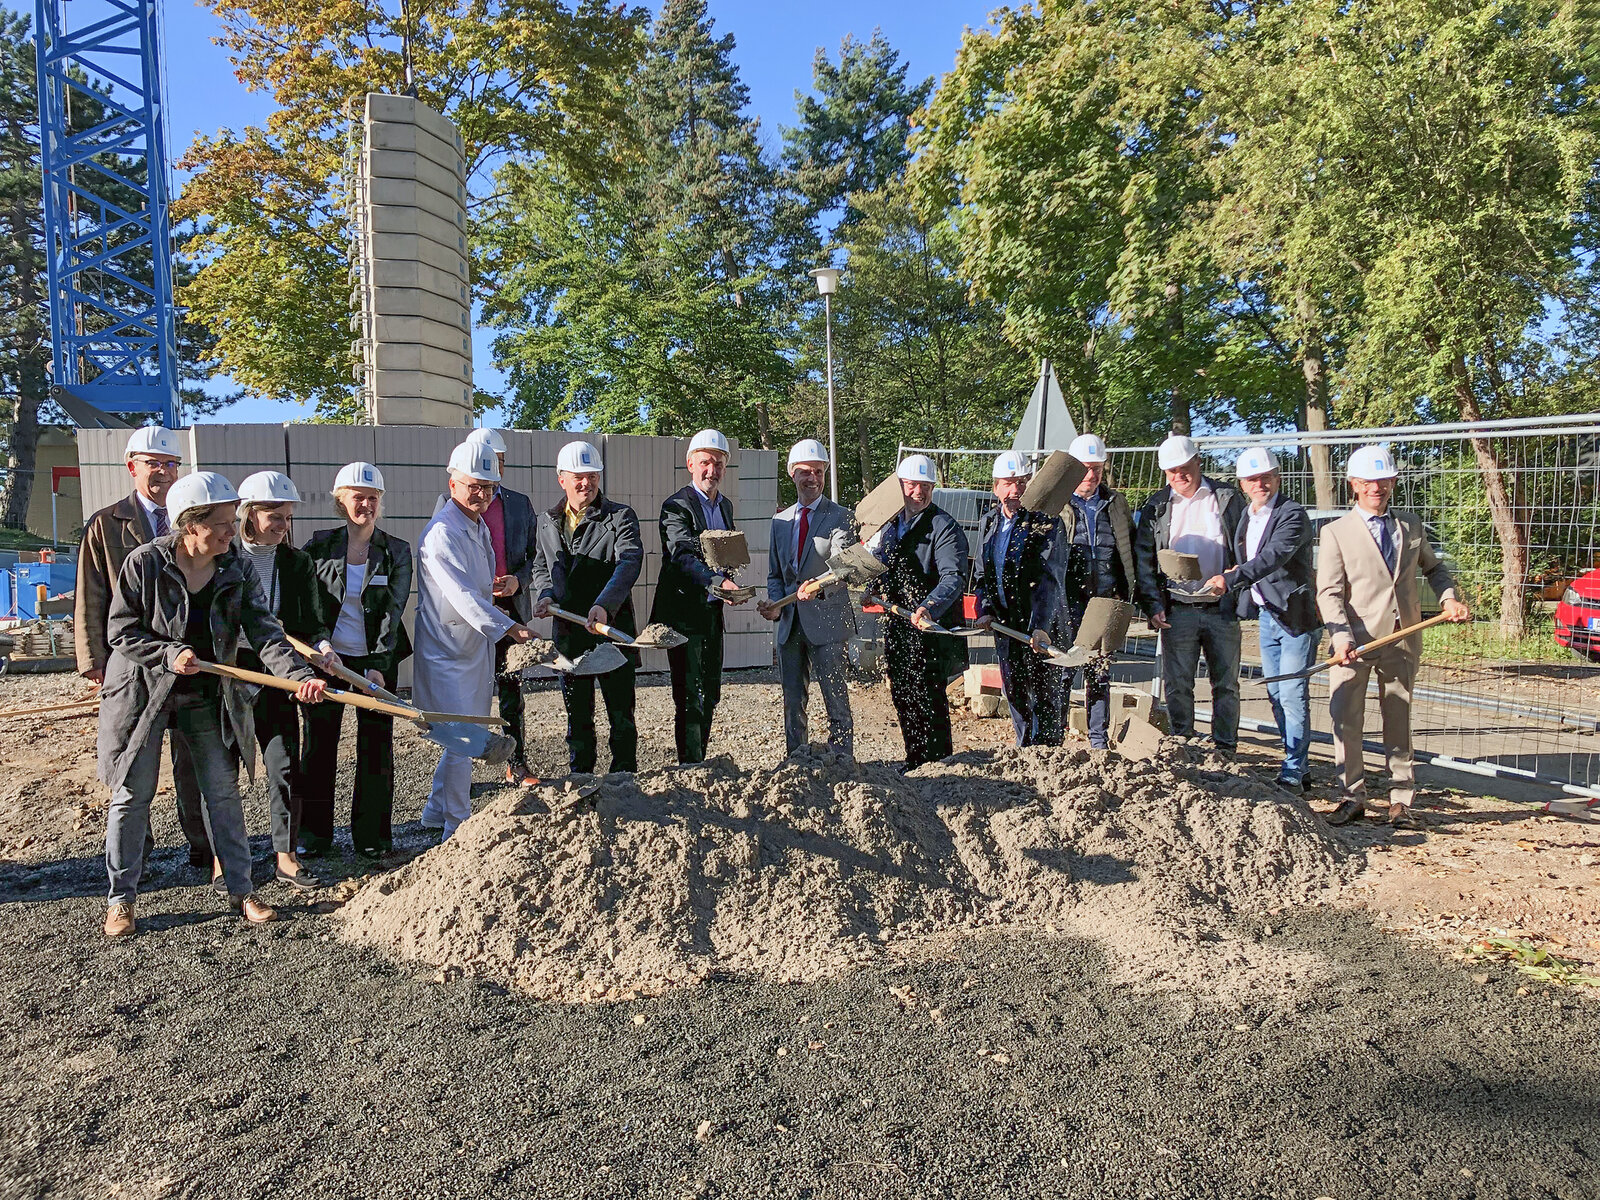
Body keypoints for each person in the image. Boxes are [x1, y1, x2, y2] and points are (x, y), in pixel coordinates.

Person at [98, 472, 328, 938]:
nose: (231, 531)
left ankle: (242, 891)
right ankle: (121, 900)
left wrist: (299, 678)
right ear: (191, 525)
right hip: (142, 694)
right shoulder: (146, 563)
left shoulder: (234, 567)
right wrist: (168, 654)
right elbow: (120, 631)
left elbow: (265, 631)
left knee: (222, 791)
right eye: (222, 523)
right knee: (132, 794)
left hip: (205, 693)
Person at [74, 426, 211, 869]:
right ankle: (138, 851)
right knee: (132, 760)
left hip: (188, 663)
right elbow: (91, 595)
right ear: (132, 466)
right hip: (133, 664)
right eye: (154, 464)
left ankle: (202, 843)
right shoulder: (107, 524)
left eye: (171, 464)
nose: (164, 472)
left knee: (193, 762)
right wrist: (93, 661)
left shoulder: (193, 520)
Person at [1317, 444, 1471, 828]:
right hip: (1354, 644)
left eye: (1384, 480)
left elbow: (1435, 569)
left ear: (1393, 482)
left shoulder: (1410, 526)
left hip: (1402, 638)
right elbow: (1329, 593)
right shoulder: (1335, 533)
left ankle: (1401, 800)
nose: (1377, 488)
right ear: (1354, 484)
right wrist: (1341, 637)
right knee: (1346, 720)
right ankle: (1352, 797)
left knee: (1398, 718)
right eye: (1368, 481)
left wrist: (1449, 598)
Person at [416, 441, 535, 838]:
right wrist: (511, 627)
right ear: (453, 484)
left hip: (472, 646)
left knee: (463, 732)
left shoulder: (477, 525)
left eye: (488, 487)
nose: (482, 494)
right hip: (448, 650)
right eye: (474, 486)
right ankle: (456, 825)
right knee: (463, 738)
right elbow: (463, 596)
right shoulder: (442, 533)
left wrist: (498, 604)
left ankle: (435, 811)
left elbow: (478, 590)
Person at [301, 462, 413, 859]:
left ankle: (372, 837)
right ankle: (313, 836)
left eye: (372, 498)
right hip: (327, 658)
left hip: (377, 658)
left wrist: (378, 666)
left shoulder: (396, 550)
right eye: (358, 497)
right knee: (318, 744)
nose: (366, 504)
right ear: (341, 501)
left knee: (375, 746)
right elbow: (309, 604)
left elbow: (392, 611)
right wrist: (321, 646)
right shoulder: (318, 546)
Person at [234, 471, 338, 890]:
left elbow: (311, 622)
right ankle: (225, 859)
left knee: (283, 764)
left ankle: (286, 855)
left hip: (278, 669)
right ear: (249, 514)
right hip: (229, 671)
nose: (283, 525)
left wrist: (323, 648)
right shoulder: (224, 559)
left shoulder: (297, 563)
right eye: (274, 516)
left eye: (288, 517)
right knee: (223, 768)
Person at [1203, 448, 1321, 793]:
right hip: (1268, 615)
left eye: (1266, 477)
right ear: (1242, 483)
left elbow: (1273, 556)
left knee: (1292, 692)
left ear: (1278, 477)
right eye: (1253, 479)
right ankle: (1298, 764)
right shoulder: (1248, 516)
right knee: (1275, 693)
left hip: (1296, 619)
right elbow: (1249, 556)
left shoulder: (1292, 514)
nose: (1260, 484)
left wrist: (1233, 577)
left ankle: (1293, 769)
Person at [529, 440, 644, 774]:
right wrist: (546, 594)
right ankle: (581, 778)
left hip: (610, 630)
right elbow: (541, 565)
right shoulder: (547, 521)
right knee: (577, 716)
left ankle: (625, 779)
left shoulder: (620, 517)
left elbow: (629, 563)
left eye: (592, 476)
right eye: (578, 477)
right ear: (562, 479)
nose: (586, 483)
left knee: (621, 715)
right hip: (569, 634)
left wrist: (604, 604)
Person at [1134, 434, 1246, 755]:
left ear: (1198, 462)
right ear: (1164, 473)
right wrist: (1152, 604)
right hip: (1177, 608)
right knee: (1178, 683)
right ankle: (1183, 743)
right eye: (1172, 471)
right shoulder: (1157, 507)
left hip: (1221, 607)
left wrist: (1234, 579)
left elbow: (1246, 547)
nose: (1179, 475)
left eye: (1185, 467)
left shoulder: (1226, 498)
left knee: (1226, 683)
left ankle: (1225, 748)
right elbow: (1145, 559)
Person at [650, 429, 748, 764]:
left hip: (711, 614)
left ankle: (699, 760)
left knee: (712, 691)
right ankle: (690, 767)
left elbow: (725, 554)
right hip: (683, 615)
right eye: (705, 462)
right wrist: (717, 582)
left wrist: (730, 582)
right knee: (690, 696)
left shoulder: (726, 506)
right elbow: (681, 555)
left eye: (718, 464)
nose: (712, 470)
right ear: (690, 463)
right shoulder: (675, 506)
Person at [868, 454, 969, 770]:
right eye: (912, 485)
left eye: (926, 486)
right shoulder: (892, 524)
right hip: (899, 625)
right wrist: (873, 586)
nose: (919, 492)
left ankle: (939, 764)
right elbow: (883, 562)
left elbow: (953, 576)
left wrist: (929, 606)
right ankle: (915, 760)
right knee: (903, 692)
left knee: (929, 697)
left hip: (929, 629)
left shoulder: (943, 526)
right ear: (900, 486)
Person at [757, 439, 856, 756]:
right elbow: (776, 574)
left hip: (828, 622)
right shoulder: (780, 521)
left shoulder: (841, 517)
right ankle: (796, 762)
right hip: (790, 625)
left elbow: (844, 568)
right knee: (792, 702)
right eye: (805, 472)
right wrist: (775, 605)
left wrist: (818, 584)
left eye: (818, 471)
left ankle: (842, 761)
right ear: (792, 473)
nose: (813, 478)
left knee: (835, 698)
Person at [461, 427, 540, 787]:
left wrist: (517, 581)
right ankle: (460, 771)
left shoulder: (519, 504)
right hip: (470, 613)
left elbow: (534, 556)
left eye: (501, 462)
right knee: (467, 692)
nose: (496, 469)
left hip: (511, 608)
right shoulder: (452, 504)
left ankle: (516, 763)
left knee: (511, 690)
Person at [971, 450, 1066, 747]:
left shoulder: (1044, 523)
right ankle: (1024, 749)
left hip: (1039, 625)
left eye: (1022, 483)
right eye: (1008, 484)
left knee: (1044, 692)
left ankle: (1047, 753)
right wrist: (985, 608)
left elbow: (1050, 579)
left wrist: (1041, 626)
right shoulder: (989, 522)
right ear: (996, 488)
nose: (1015, 491)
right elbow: (982, 573)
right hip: (1004, 624)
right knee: (1014, 689)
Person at [1057, 433, 1137, 749]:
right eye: (1085, 468)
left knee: (1100, 672)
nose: (1091, 475)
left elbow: (1129, 548)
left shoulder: (1116, 504)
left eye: (1097, 469)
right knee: (1064, 669)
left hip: (1104, 599)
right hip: (1067, 600)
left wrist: (1127, 591)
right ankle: (1055, 738)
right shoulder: (1058, 502)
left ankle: (1098, 740)